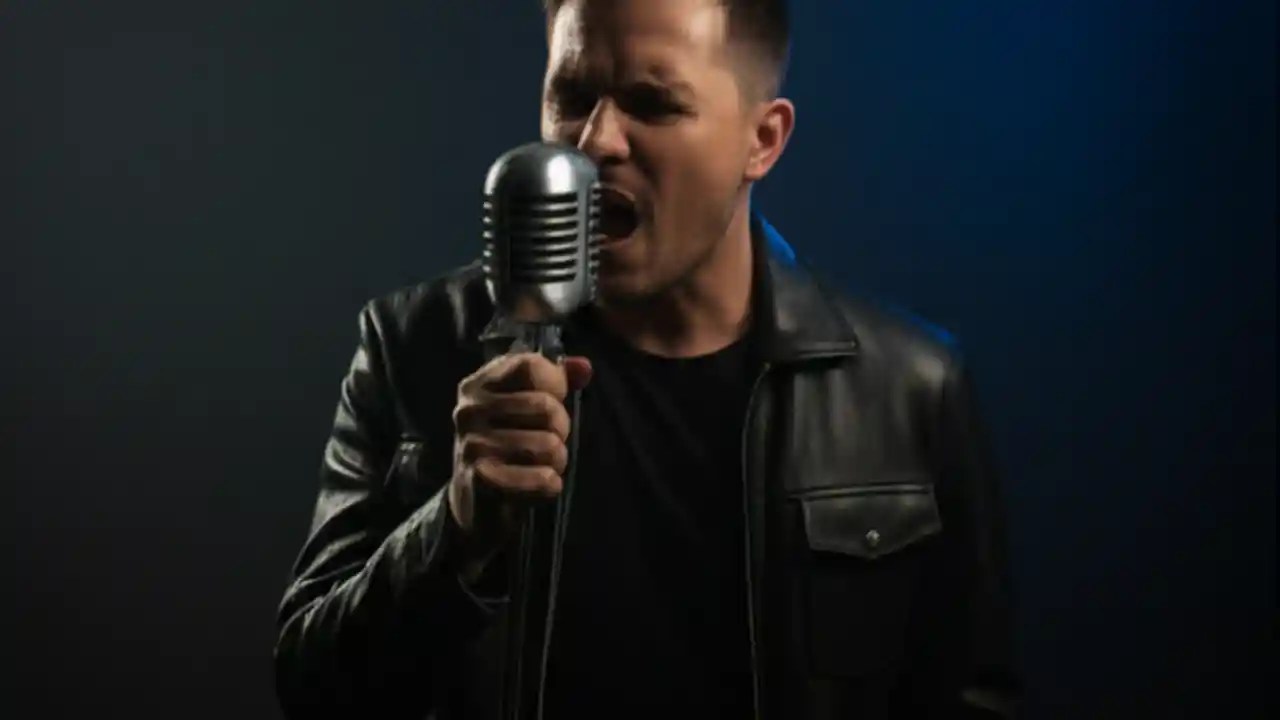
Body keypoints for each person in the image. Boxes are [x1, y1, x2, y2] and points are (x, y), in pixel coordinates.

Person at [272, 0, 1021, 717]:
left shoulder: (911, 389)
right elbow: (316, 690)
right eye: (571, 94)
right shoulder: (416, 347)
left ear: (762, 141)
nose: (596, 140)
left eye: (653, 103)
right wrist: (456, 531)